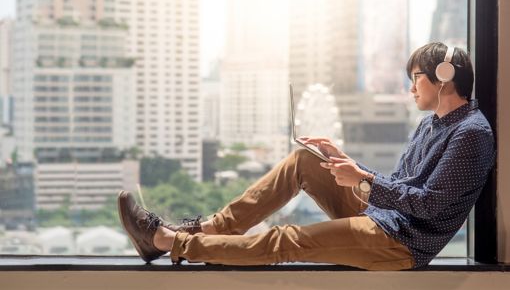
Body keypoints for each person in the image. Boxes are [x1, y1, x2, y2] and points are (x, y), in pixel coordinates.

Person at [118, 42, 495, 270]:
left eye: (416, 77)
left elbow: (429, 206)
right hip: (385, 218)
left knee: (287, 239)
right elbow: (399, 185)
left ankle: (172, 242)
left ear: (443, 76)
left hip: (401, 243)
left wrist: (363, 181)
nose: (411, 86)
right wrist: (344, 161)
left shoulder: (471, 134)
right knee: (305, 161)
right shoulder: (432, 125)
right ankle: (214, 228)